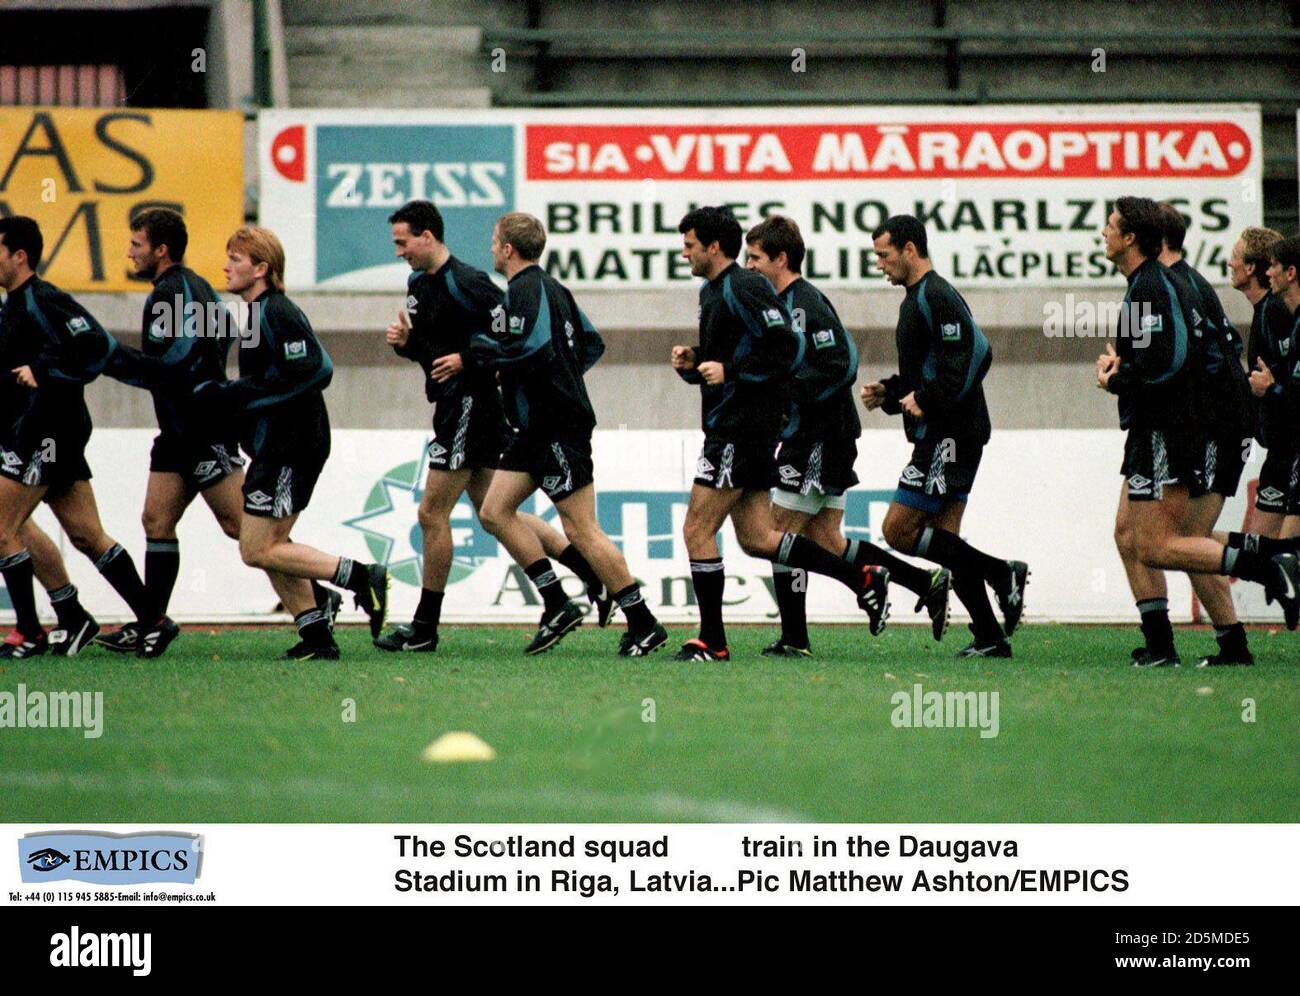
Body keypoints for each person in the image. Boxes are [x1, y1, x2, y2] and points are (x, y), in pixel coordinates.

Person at [97, 208, 341, 657]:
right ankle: (153, 622)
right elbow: (220, 335)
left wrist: (110, 359)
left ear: (160, 249)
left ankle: (323, 595)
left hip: (200, 432)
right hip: (179, 431)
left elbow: (177, 363)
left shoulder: (177, 293)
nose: (129, 253)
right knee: (158, 520)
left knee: (250, 535)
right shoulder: (200, 293)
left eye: (136, 244)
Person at [374, 200, 612, 652]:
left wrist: (472, 360)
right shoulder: (416, 286)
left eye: (403, 242)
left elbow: (510, 336)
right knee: (497, 512)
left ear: (428, 236)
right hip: (453, 404)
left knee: (432, 513)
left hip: (470, 406)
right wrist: (409, 345)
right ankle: (588, 577)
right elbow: (435, 353)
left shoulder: (471, 283)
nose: (398, 251)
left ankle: (426, 627)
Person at [671, 206, 891, 662]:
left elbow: (785, 346)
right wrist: (696, 363)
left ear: (713, 247)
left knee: (697, 528)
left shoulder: (743, 285)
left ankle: (712, 640)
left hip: (738, 429)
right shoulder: (714, 291)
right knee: (757, 538)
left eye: (689, 244)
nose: (684, 252)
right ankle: (862, 578)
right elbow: (732, 361)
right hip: (741, 427)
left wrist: (730, 370)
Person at [1096, 197, 1299, 657]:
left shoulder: (1161, 285)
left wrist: (1118, 378)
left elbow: (1172, 361)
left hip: (1183, 429)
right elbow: (1165, 356)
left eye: (1110, 226)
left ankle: (1272, 566)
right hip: (1173, 427)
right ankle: (1205, 642)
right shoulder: (1153, 285)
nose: (1102, 234)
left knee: (1165, 544)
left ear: (1137, 238)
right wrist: (1124, 369)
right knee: (1138, 537)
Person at [743, 215, 951, 657]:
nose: (749, 266)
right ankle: (922, 581)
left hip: (819, 436)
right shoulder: (780, 304)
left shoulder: (805, 304)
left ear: (781, 259)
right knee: (826, 541)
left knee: (779, 530)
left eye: (756, 258)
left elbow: (839, 363)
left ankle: (796, 638)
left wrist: (787, 399)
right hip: (822, 435)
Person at [471, 212, 668, 656]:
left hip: (557, 427)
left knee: (581, 528)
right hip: (533, 429)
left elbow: (533, 348)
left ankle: (644, 622)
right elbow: (591, 342)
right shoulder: (553, 289)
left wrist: (498, 360)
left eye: (493, 241)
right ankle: (558, 602)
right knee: (494, 511)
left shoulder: (527, 289)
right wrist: (553, 374)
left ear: (508, 249)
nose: (490, 249)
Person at [197, 226, 387, 660]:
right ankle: (317, 637)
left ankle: (360, 577)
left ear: (262, 269)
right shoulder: (253, 314)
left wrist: (239, 394)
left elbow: (318, 370)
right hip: (278, 444)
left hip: (291, 444)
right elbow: (268, 380)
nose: (226, 266)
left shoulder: (276, 311)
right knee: (270, 546)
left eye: (236, 259)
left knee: (258, 547)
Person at [860, 214, 1028, 658]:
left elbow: (977, 353)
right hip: (951, 431)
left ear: (910, 250)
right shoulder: (918, 298)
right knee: (946, 541)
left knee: (896, 531)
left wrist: (928, 399)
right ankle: (990, 636)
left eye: (884, 254)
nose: (879, 264)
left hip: (949, 434)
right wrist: (892, 392)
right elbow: (931, 370)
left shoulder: (935, 294)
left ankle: (1001, 572)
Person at [0, 215, 153, 658]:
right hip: (40, 431)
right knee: (86, 534)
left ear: (19, 256)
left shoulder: (44, 299)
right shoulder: (14, 305)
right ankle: (148, 618)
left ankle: (29, 631)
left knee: (4, 528)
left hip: (46, 430)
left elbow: (94, 346)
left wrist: (43, 372)